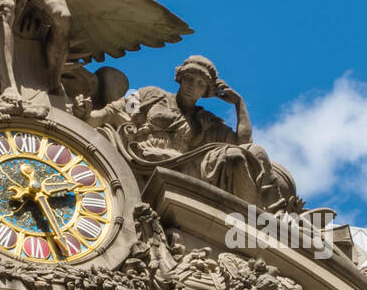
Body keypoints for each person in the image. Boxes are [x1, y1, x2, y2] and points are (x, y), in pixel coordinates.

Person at [85, 54, 298, 213]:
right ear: (180, 78)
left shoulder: (204, 120)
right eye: (189, 79)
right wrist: (85, 115)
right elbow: (115, 110)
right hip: (142, 154)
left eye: (200, 84)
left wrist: (239, 104)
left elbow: (243, 141)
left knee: (245, 154)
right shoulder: (150, 94)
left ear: (206, 91)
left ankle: (253, 217)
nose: (191, 86)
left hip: (183, 165)